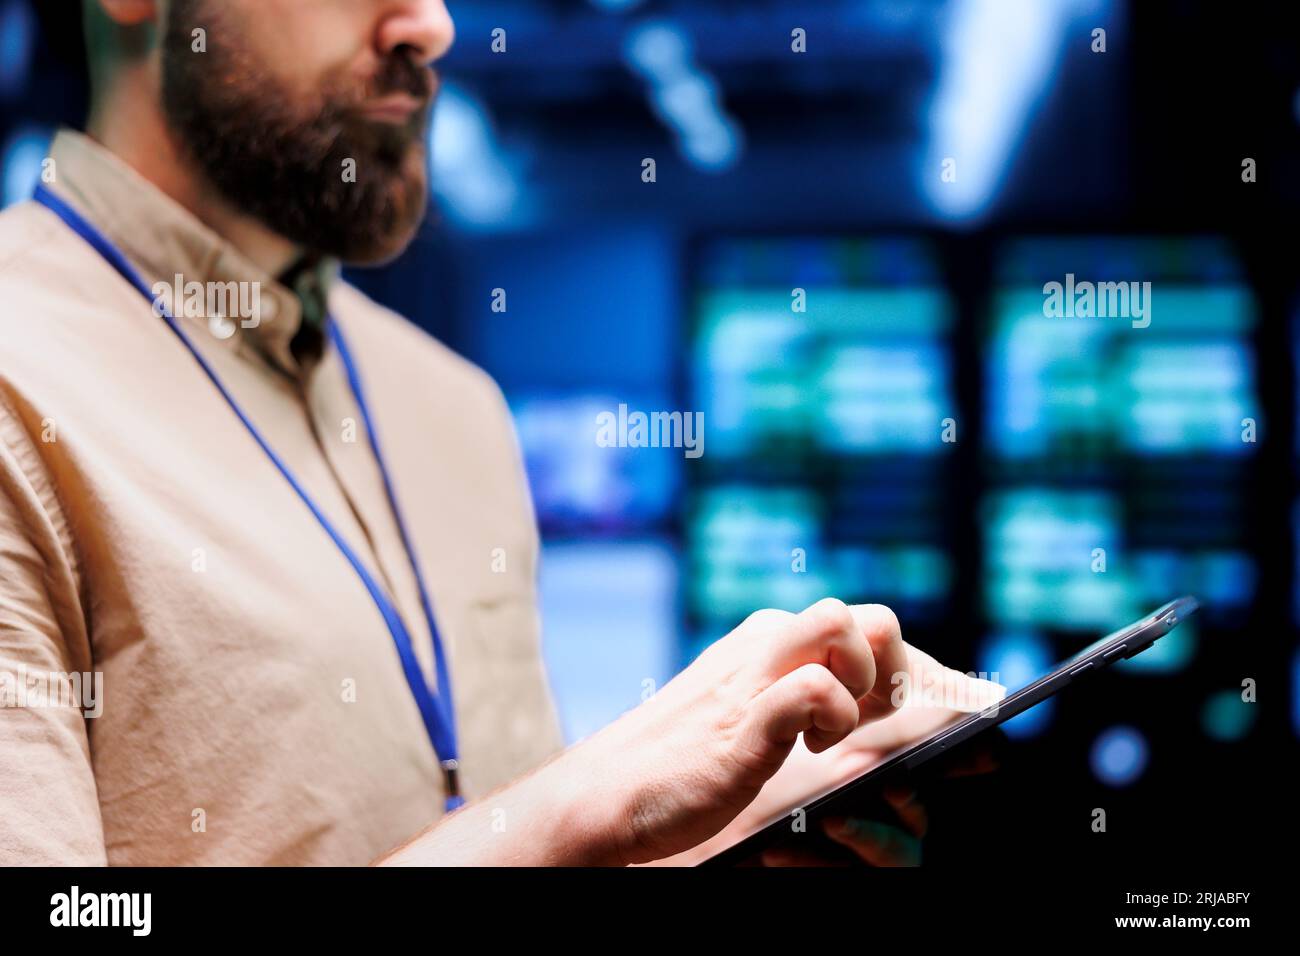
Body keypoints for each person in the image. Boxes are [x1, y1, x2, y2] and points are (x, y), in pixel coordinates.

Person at [0, 0, 1000, 866]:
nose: (432, 23)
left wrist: (705, 837)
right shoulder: (20, 380)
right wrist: (578, 806)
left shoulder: (454, 408)